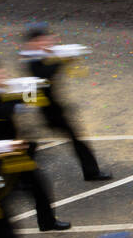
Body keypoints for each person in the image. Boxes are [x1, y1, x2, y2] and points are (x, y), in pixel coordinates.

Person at [0, 61, 69, 232]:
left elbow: (30, 104)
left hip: (17, 152)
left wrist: (27, 90)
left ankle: (47, 222)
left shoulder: (3, 92)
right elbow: (4, 111)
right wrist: (20, 95)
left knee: (37, 187)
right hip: (3, 155)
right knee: (1, 196)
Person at [19, 25, 112, 182]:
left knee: (35, 143)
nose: (48, 42)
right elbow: (44, 75)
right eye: (43, 40)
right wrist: (62, 60)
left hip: (50, 108)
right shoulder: (32, 60)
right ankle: (21, 177)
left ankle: (91, 171)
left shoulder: (38, 55)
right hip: (42, 110)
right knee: (31, 143)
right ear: (34, 42)